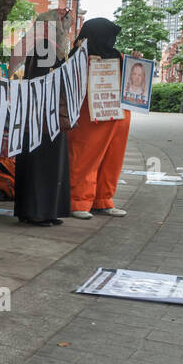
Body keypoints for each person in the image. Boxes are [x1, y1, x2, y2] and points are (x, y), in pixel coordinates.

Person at [68, 17, 130, 218]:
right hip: (90, 117)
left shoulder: (118, 56)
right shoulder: (78, 56)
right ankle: (78, 202)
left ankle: (103, 200)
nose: (111, 40)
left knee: (112, 160)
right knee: (85, 158)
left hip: (117, 117)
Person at [13, 17, 70, 226]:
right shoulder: (43, 46)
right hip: (43, 115)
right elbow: (43, 78)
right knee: (41, 164)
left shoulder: (47, 46)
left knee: (48, 164)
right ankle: (37, 211)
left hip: (46, 115)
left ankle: (45, 210)